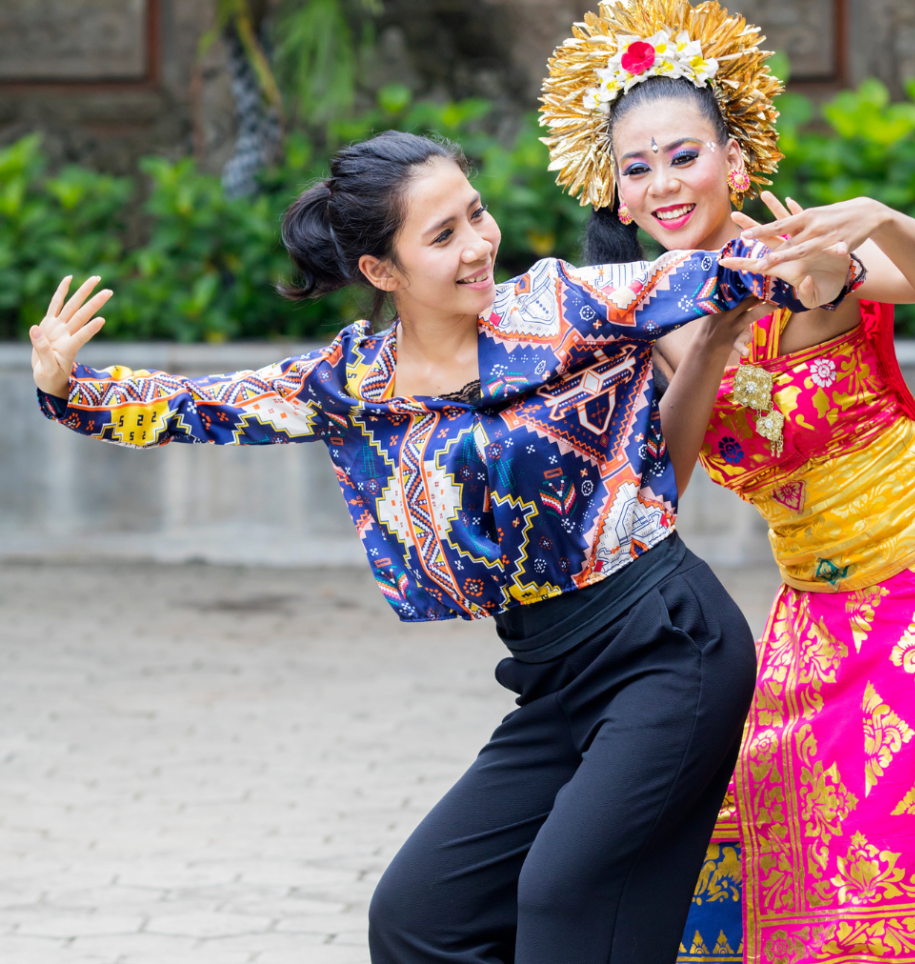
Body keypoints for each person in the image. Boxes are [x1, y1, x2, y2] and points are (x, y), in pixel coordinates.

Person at [29, 130, 856, 963]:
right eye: (443, 234)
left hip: (669, 649)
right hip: (552, 678)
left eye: (476, 214)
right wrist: (68, 389)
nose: (478, 244)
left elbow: (700, 276)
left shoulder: (559, 306)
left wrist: (815, 269)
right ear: (380, 270)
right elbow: (206, 405)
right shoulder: (354, 383)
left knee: (565, 900)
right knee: (421, 917)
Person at [540, 1, 915, 962]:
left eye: (685, 156)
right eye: (638, 168)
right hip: (816, 599)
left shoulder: (798, 250)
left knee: (886, 862)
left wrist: (874, 226)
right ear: (617, 197)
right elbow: (666, 479)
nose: (664, 183)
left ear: (735, 162)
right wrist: (707, 340)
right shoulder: (638, 319)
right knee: (772, 843)